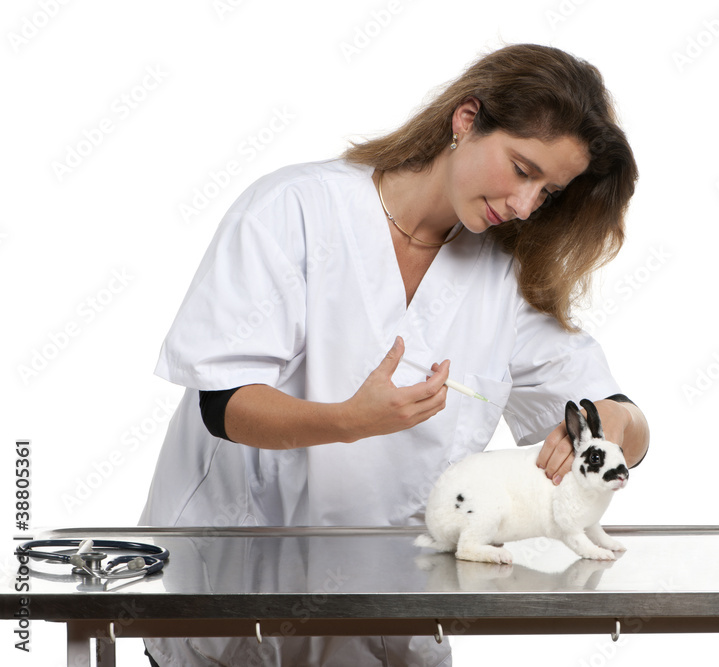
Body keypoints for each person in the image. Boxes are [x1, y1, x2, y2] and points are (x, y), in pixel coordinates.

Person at [140, 43, 649, 666]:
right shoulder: (296, 209)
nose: (524, 204)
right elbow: (222, 404)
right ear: (466, 120)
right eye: (521, 169)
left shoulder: (504, 275)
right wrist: (350, 421)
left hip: (393, 614)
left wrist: (615, 424)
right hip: (239, 597)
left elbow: (618, 411)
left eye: (547, 192)